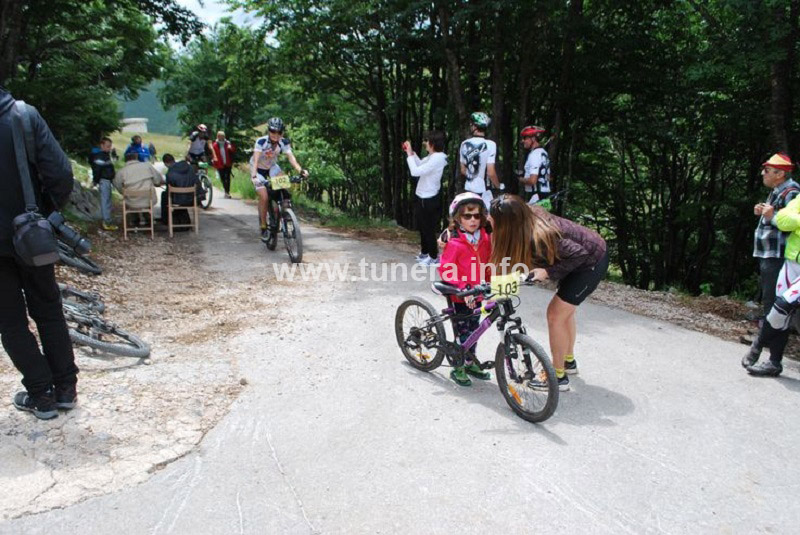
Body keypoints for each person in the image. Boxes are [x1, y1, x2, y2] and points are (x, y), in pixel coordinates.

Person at [0, 87, 79, 419]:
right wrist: (45, 214)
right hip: (31, 235)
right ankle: (65, 389)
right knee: (48, 309)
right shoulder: (23, 115)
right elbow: (61, 175)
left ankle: (40, 394)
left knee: (10, 322)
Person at [489, 194, 608, 391]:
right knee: (565, 313)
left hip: (591, 260)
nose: (488, 219)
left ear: (507, 224)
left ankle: (557, 377)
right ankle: (568, 362)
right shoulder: (521, 218)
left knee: (555, 315)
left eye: (492, 217)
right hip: (580, 259)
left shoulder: (541, 235)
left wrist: (548, 272)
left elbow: (580, 253)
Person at [744, 153, 800, 376]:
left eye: (767, 170)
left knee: (777, 308)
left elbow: (788, 222)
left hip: (781, 258)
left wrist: (772, 215)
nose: (763, 174)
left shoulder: (791, 192)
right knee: (776, 308)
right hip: (778, 258)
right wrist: (768, 213)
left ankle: (763, 353)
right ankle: (770, 359)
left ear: (779, 174)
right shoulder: (780, 192)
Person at [438, 192, 493, 386]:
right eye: (467, 216)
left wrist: (491, 283)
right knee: (464, 332)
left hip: (477, 294)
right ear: (458, 218)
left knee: (475, 330)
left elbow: (487, 264)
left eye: (477, 216)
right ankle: (458, 366)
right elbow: (446, 269)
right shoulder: (454, 242)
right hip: (460, 295)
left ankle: (470, 362)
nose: (472, 220)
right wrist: (463, 286)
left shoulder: (485, 239)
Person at [250, 117, 308, 241]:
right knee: (264, 197)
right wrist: (254, 176)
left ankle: (285, 216)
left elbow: (291, 158)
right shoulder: (261, 142)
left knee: (284, 186)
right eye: (272, 131)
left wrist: (301, 170)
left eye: (279, 132)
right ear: (268, 131)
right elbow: (255, 160)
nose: (276, 135)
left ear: (282, 133)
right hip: (258, 169)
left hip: (272, 167)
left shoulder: (284, 142)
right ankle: (263, 226)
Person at [404, 131, 447, 266]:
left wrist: (409, 154)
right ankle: (425, 253)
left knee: (428, 228)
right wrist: (411, 154)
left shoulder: (438, 158)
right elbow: (420, 164)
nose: (425, 144)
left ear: (433, 143)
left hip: (430, 197)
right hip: (422, 195)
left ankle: (434, 257)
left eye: (427, 141)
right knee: (422, 227)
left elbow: (415, 171)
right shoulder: (432, 156)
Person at [459, 112, 502, 209]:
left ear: (474, 126)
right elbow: (491, 172)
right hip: (483, 191)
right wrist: (499, 186)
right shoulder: (491, 144)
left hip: (468, 189)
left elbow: (463, 170)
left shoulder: (464, 144)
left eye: (471, 124)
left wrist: (473, 176)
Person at [113, 152, 163, 227]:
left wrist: (123, 192)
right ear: (136, 158)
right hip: (147, 199)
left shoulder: (122, 171)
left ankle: (134, 221)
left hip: (131, 201)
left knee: (131, 200)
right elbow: (158, 179)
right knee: (147, 199)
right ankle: (148, 218)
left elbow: (117, 184)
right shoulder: (147, 166)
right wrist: (156, 183)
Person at [159, 153, 199, 226]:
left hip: (178, 200)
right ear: (174, 160)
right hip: (192, 199)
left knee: (164, 195)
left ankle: (165, 220)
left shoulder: (170, 173)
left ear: (166, 163)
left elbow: (169, 190)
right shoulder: (189, 168)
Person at [89, 136, 118, 231]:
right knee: (105, 201)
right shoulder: (99, 156)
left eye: (110, 146)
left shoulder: (105, 155)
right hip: (103, 181)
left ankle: (107, 220)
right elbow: (97, 170)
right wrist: (95, 181)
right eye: (107, 146)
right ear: (101, 145)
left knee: (108, 201)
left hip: (108, 181)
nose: (109, 148)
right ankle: (106, 222)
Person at [519, 125, 552, 204]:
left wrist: (520, 179)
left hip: (535, 196)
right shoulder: (543, 152)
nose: (523, 141)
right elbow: (548, 177)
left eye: (525, 138)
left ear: (533, 139)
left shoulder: (535, 154)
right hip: (545, 195)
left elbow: (532, 181)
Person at [211, 130, 236, 199]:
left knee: (227, 178)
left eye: (223, 136)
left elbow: (233, 150)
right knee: (222, 178)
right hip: (220, 164)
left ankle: (227, 192)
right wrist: (214, 164)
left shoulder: (227, 143)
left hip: (227, 163)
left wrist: (230, 148)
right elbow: (213, 155)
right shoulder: (215, 144)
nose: (222, 137)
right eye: (220, 136)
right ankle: (226, 191)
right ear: (218, 136)